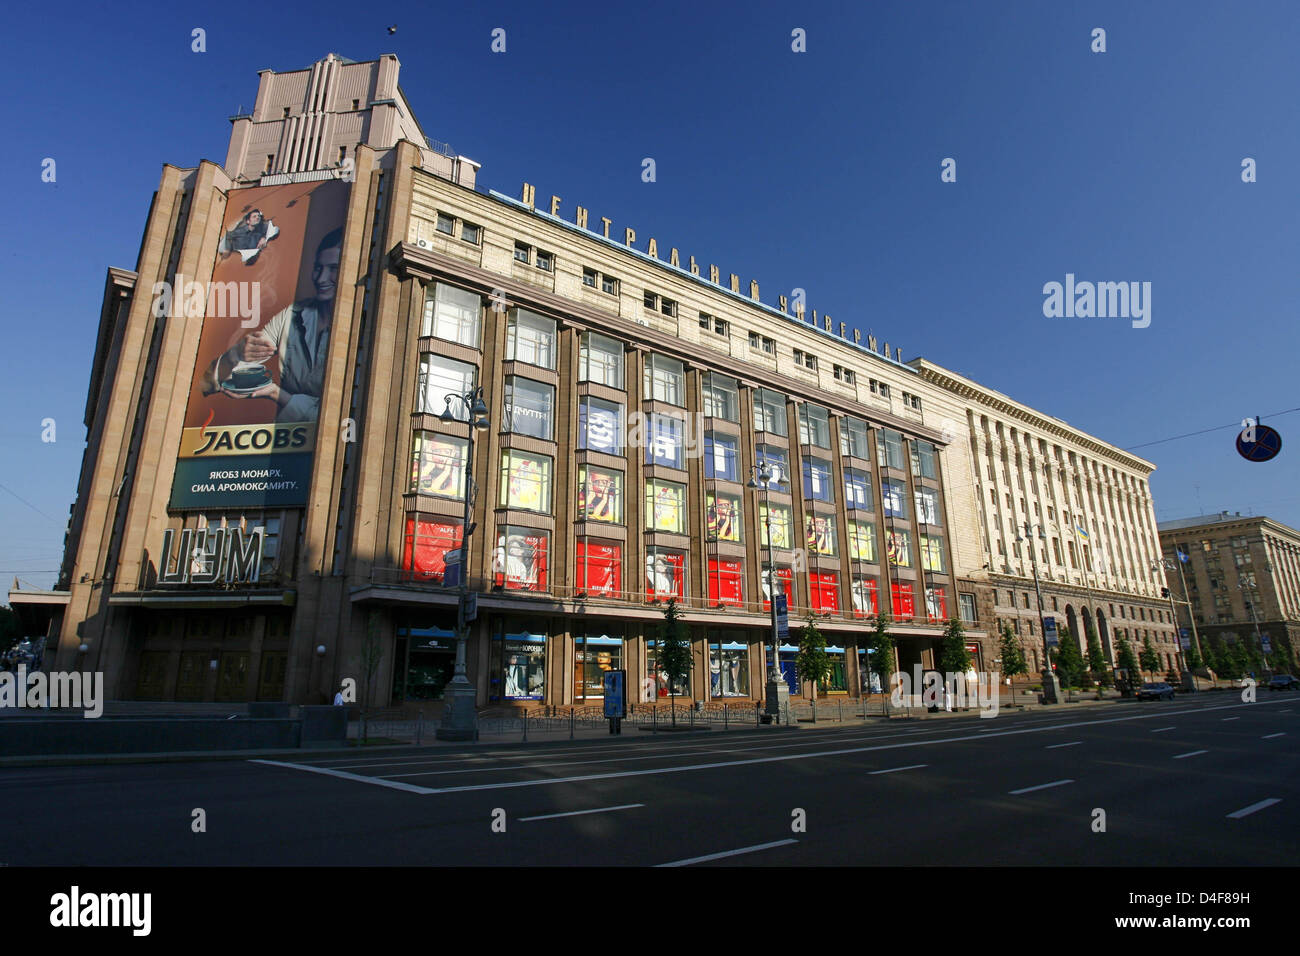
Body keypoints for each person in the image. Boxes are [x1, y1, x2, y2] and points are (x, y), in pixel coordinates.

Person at [207, 228, 342, 422]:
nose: (321, 279)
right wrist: (236, 355)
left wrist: (277, 394)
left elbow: (342, 415)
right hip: (285, 441)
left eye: (334, 269)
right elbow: (215, 379)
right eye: (318, 268)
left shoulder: (365, 326)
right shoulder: (292, 314)